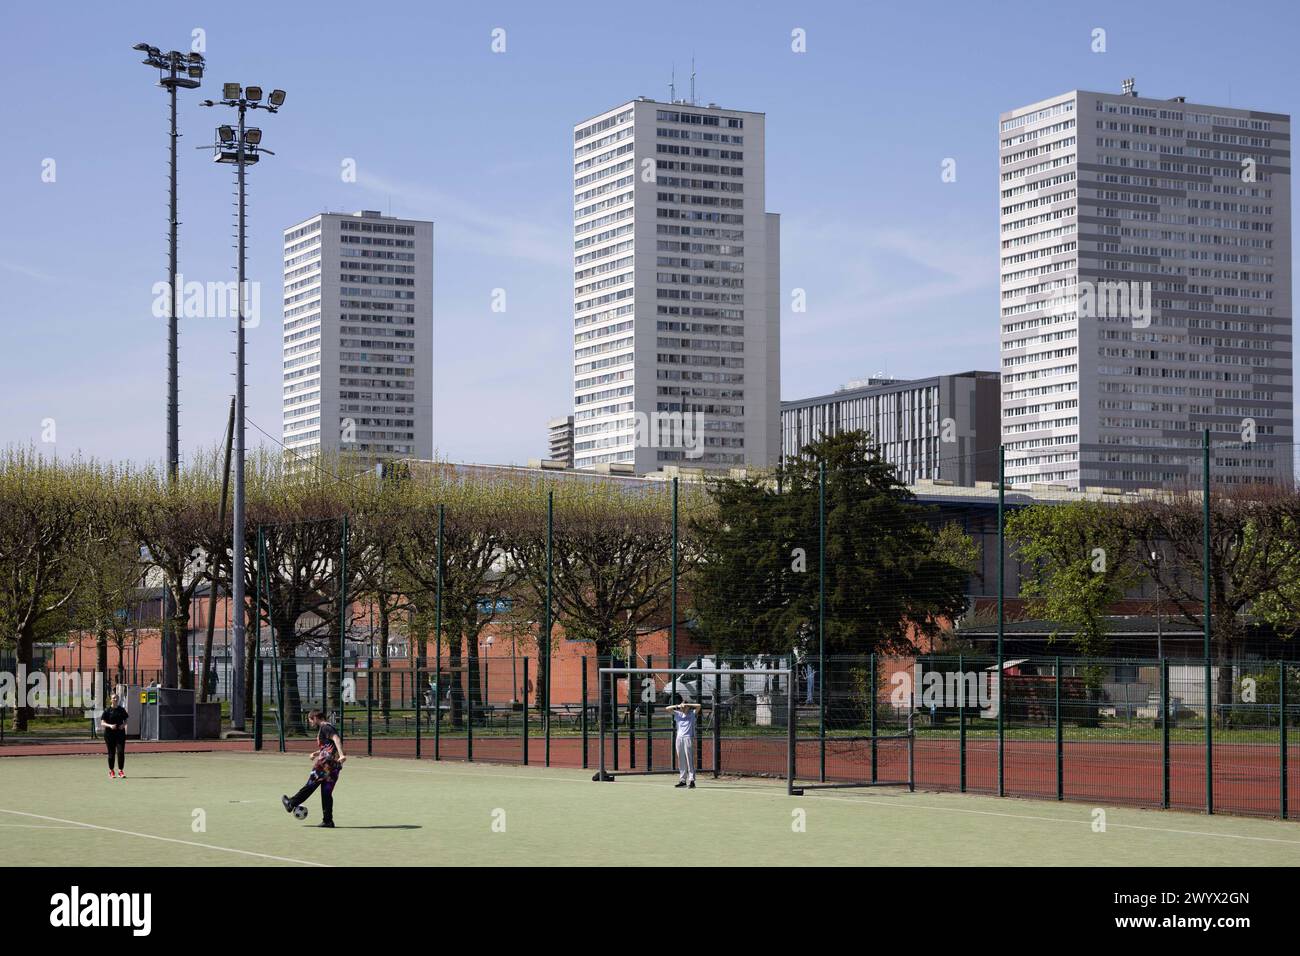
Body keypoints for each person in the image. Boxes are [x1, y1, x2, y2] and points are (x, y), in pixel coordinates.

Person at [282, 710, 347, 828]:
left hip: (325, 764)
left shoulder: (325, 727)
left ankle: (291, 803)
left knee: (310, 785)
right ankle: (328, 821)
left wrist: (342, 754)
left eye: (310, 719)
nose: (310, 722)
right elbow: (329, 746)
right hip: (334, 766)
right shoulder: (327, 728)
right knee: (326, 793)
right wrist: (317, 753)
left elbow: (336, 739)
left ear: (316, 718)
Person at [664, 695, 701, 789]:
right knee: (681, 759)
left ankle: (692, 780)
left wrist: (687, 704)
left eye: (685, 707)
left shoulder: (692, 713)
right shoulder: (678, 714)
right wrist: (678, 705)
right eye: (683, 707)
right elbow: (667, 708)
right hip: (679, 738)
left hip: (688, 738)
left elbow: (699, 705)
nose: (683, 708)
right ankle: (682, 780)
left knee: (689, 759)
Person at [99, 691, 128, 779]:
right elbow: (102, 723)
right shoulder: (107, 711)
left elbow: (126, 720)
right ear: (111, 700)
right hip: (109, 735)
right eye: (113, 698)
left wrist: (123, 725)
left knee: (120, 752)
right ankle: (111, 771)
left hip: (120, 734)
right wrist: (110, 726)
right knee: (111, 753)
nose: (115, 699)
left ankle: (120, 771)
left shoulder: (121, 710)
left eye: (116, 698)